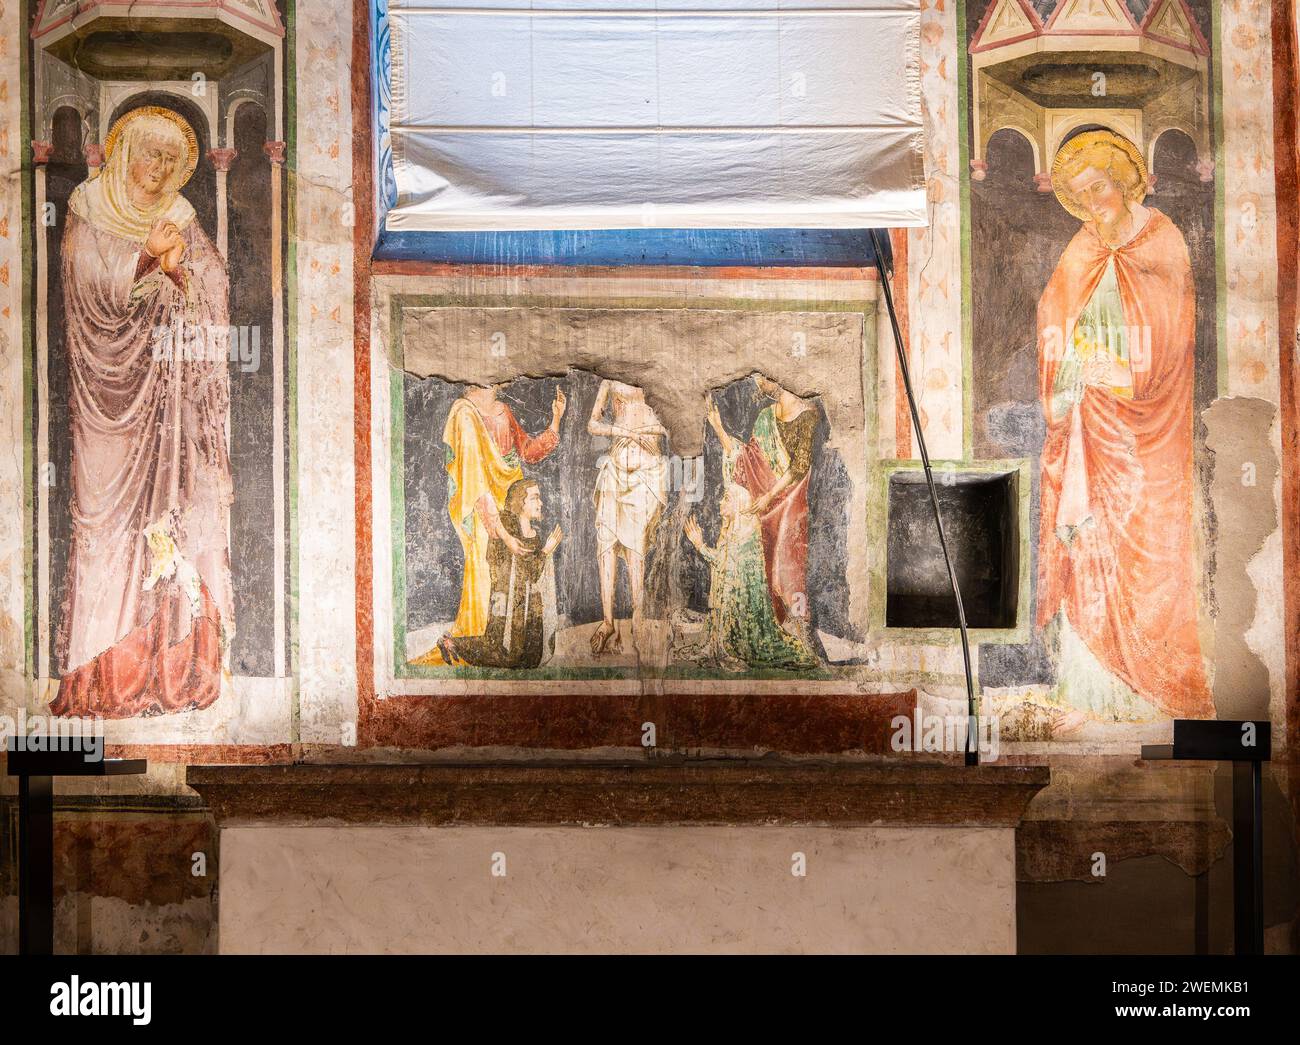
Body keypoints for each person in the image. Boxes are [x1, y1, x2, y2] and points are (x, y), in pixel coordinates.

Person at [52, 106, 233, 718]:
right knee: (104, 530)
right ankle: (101, 677)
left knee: (168, 526)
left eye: (167, 159)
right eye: (147, 154)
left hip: (168, 403)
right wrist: (146, 260)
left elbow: (213, 293)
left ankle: (168, 672)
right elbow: (81, 288)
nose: (156, 169)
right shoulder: (86, 205)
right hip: (102, 397)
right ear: (124, 153)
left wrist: (180, 270)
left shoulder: (180, 216)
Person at [1037, 129, 1212, 719]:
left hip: (1144, 424)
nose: (1093, 205)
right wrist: (1067, 377)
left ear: (1123, 181)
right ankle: (1089, 688)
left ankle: (1144, 694)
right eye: (1081, 196)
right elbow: (1054, 321)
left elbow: (1174, 330)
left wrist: (1125, 370)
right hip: (1091, 419)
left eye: (1099, 190)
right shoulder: (1082, 248)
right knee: (1088, 537)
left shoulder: (1162, 241)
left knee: (1143, 544)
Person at [413, 383, 564, 665]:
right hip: (485, 509)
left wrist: (555, 419)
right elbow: (474, 477)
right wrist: (501, 532)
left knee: (517, 578)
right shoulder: (464, 413)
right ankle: (481, 642)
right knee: (489, 575)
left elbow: (528, 451)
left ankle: (510, 643)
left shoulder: (502, 410)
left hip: (511, 504)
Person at [706, 376, 818, 642]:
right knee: (761, 553)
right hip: (765, 498)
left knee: (788, 557)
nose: (758, 384)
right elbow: (749, 458)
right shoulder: (766, 416)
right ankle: (770, 621)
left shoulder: (807, 415)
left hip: (790, 499)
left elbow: (799, 467)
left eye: (762, 378)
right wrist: (720, 430)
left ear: (777, 375)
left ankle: (798, 620)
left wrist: (769, 496)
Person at [684, 479, 816, 673]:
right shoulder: (733, 532)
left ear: (738, 505)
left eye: (726, 499)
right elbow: (723, 563)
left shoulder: (745, 535)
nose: (721, 503)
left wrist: (700, 545)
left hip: (742, 614)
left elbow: (723, 564)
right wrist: (700, 545)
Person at [435, 479, 562, 669]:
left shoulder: (534, 535)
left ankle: (452, 643)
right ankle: (451, 643)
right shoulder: (507, 530)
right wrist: (545, 551)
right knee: (504, 653)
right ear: (521, 502)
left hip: (532, 609)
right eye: (535, 498)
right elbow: (526, 573)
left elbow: (533, 575)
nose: (540, 503)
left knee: (531, 660)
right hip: (507, 604)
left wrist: (542, 553)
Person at [587, 379, 669, 655]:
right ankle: (607, 620)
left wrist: (646, 431)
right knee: (606, 541)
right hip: (616, 463)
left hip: (647, 466)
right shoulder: (609, 379)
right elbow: (593, 424)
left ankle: (638, 617)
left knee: (636, 545)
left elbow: (672, 422)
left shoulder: (658, 369)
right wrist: (620, 430)